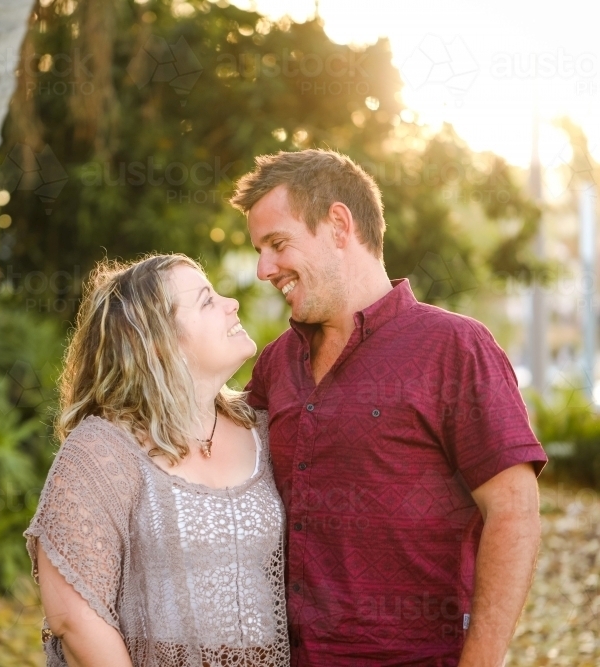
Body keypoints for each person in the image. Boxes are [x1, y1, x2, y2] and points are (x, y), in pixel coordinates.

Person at [230, 148, 548, 667]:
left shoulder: (455, 347)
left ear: (338, 224)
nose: (265, 269)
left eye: (278, 244)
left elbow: (514, 511)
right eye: (260, 250)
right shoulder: (276, 363)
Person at [25, 254, 291, 667]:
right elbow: (74, 619)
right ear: (157, 342)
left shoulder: (267, 430)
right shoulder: (101, 450)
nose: (231, 303)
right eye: (206, 300)